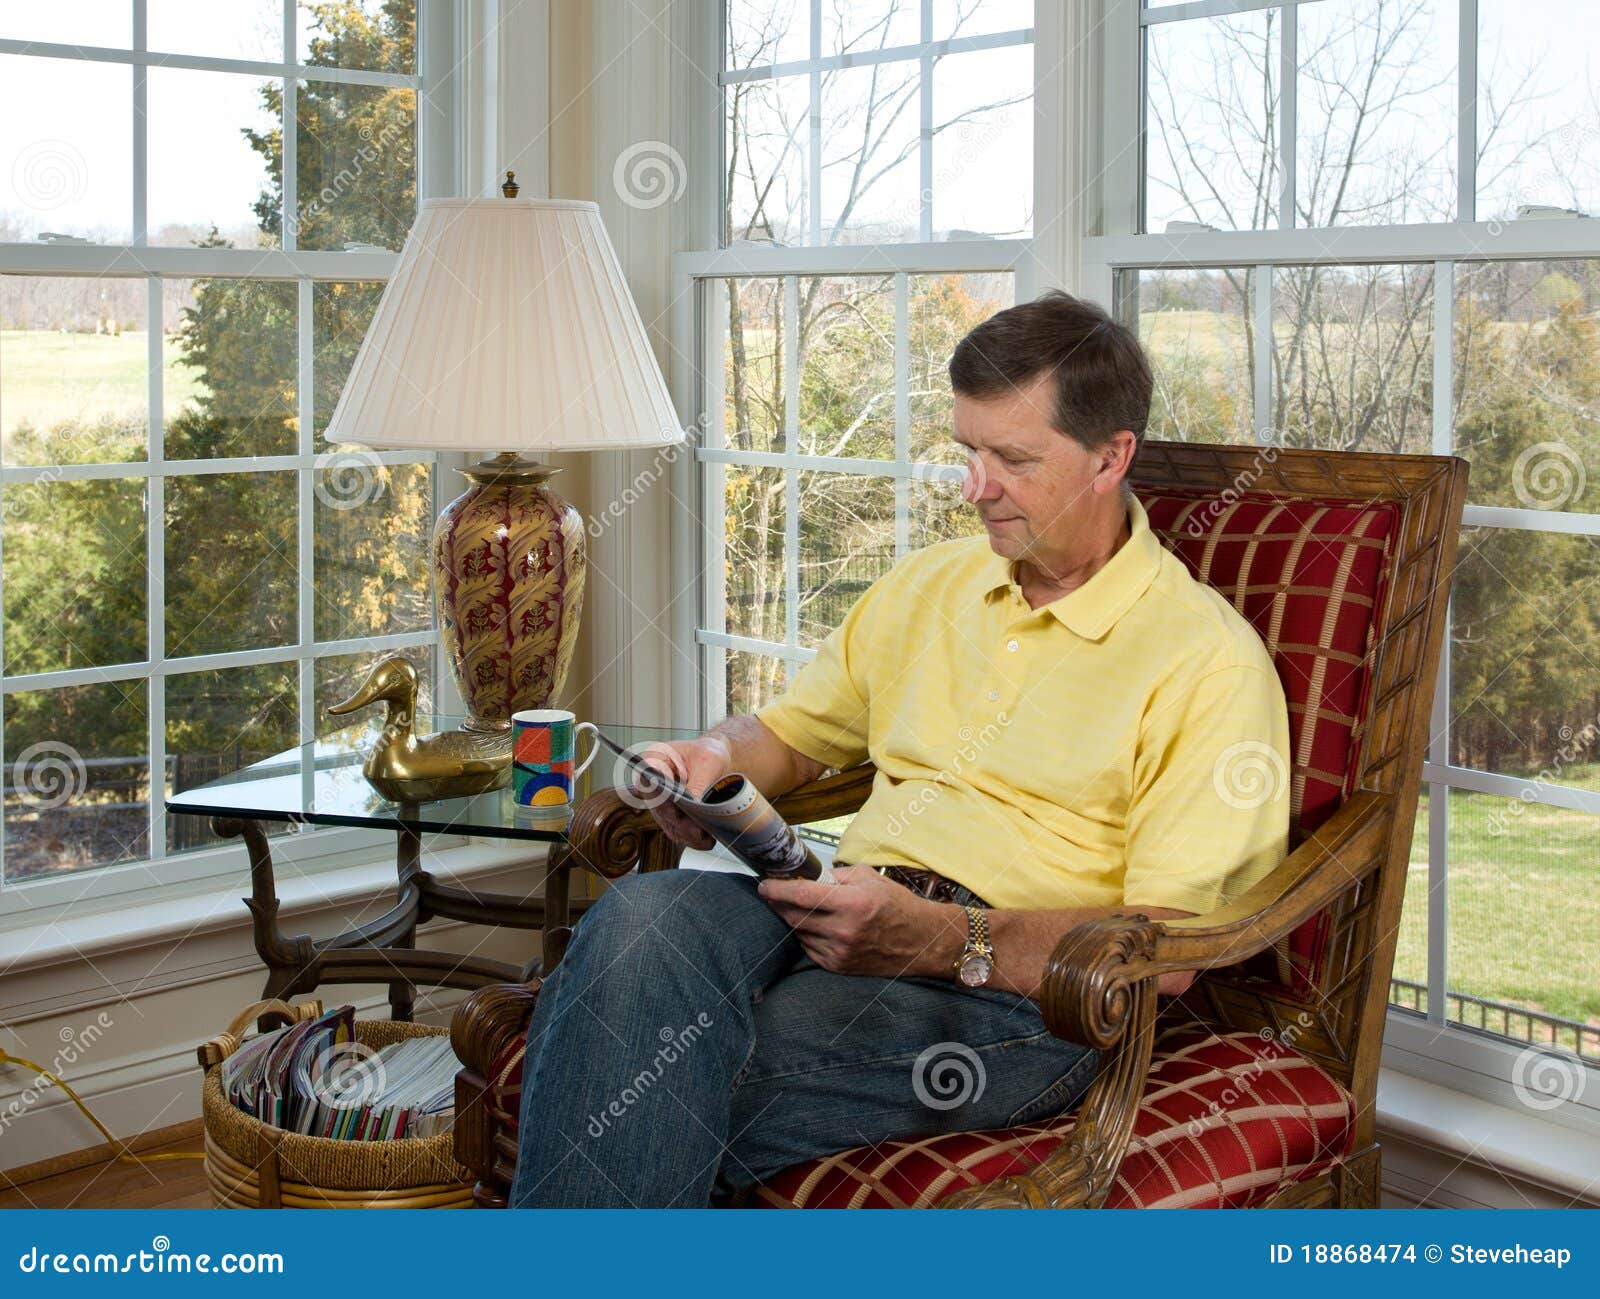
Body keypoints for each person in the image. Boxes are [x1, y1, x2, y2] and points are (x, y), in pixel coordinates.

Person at [509, 291, 1291, 1208]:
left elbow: (1167, 944)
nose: (974, 486)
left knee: (630, 1055)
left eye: (1013, 459)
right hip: (838, 906)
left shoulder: (1206, 662)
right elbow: (790, 739)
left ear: (1111, 456)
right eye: (968, 450)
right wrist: (710, 757)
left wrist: (941, 938)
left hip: (1016, 995)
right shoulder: (933, 584)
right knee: (638, 920)